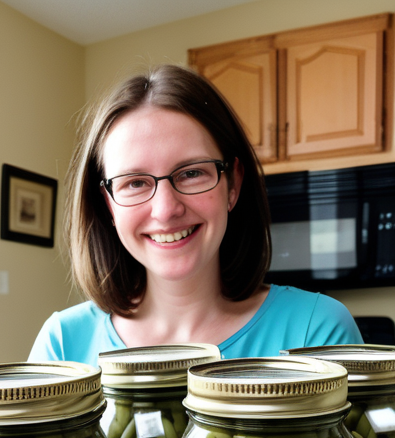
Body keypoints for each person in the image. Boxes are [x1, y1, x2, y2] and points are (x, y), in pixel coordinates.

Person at [29, 63, 363, 367]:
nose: (165, 210)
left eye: (191, 173)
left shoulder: (318, 331)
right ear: (108, 204)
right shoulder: (62, 343)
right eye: (134, 182)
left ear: (232, 184)